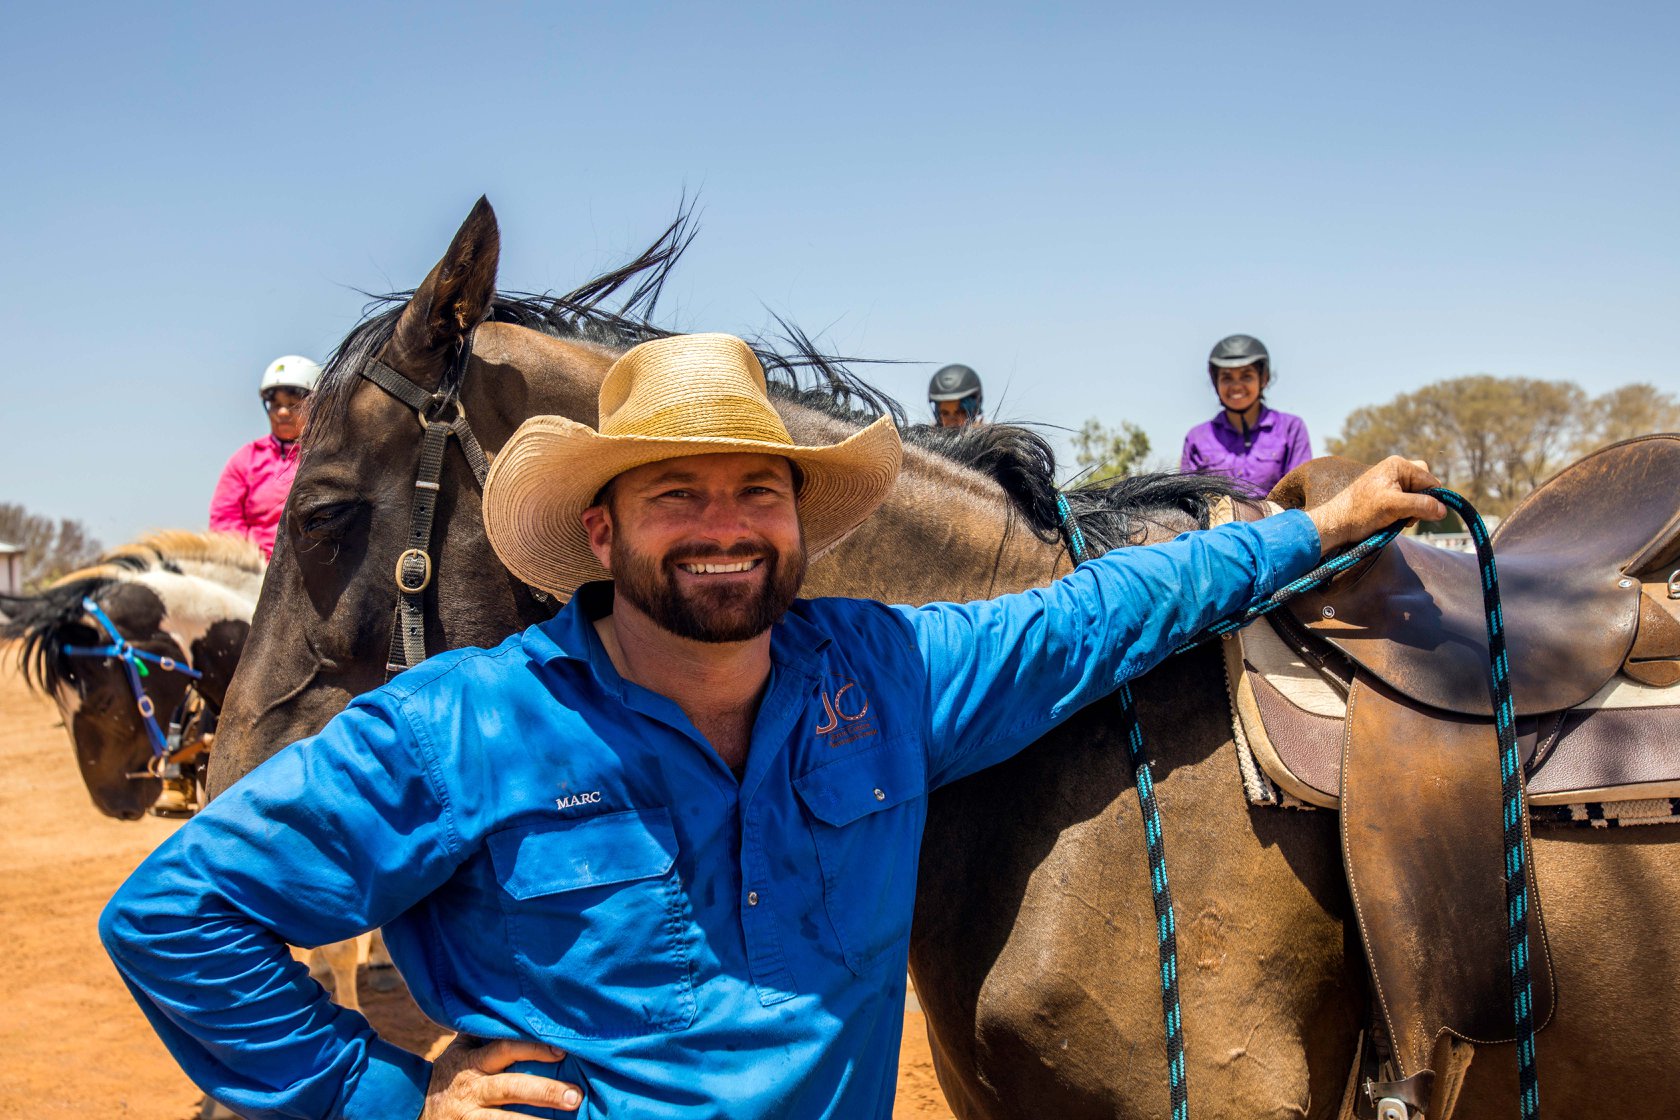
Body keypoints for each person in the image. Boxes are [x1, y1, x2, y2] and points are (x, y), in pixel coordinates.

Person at [101, 333, 1442, 1120]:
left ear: (803, 522)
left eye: (760, 491)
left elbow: (1097, 615)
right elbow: (172, 915)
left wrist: (1316, 529)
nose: (727, 525)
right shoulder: (463, 728)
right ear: (600, 528)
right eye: (675, 493)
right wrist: (394, 1105)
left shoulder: (885, 674)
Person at [209, 355, 323, 558]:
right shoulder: (245, 460)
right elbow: (225, 520)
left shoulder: (327, 457)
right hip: (256, 570)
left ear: (315, 405)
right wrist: (251, 560)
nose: (282, 412)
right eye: (275, 404)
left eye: (292, 403)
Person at [1180, 334, 1313, 496]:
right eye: (1227, 378)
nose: (1236, 386)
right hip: (1216, 521)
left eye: (1246, 376)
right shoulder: (1197, 438)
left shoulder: (1291, 429)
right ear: (1216, 382)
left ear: (1263, 379)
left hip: (1277, 521)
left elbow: (1300, 496)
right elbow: (1187, 500)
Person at [927, 363, 983, 427]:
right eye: (945, 413)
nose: (952, 421)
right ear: (937, 415)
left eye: (959, 412)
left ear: (974, 410)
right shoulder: (923, 436)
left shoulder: (991, 436)